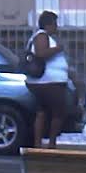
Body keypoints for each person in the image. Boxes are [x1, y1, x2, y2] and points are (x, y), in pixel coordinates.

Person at [26, 9, 72, 149]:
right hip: (49, 83)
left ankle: (39, 143)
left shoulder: (42, 36)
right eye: (54, 24)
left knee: (42, 112)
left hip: (45, 82)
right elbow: (41, 53)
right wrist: (58, 49)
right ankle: (51, 143)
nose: (56, 27)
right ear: (48, 25)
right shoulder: (42, 36)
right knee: (58, 113)